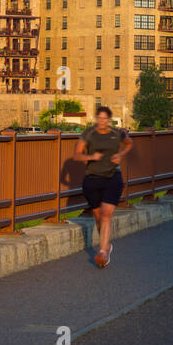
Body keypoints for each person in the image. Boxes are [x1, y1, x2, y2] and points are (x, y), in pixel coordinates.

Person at [73, 105, 133, 268]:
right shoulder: (88, 133)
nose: (101, 121)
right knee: (98, 216)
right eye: (99, 118)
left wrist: (120, 155)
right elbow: (76, 155)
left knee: (106, 214)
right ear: (96, 119)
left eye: (104, 118)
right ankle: (106, 245)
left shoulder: (117, 133)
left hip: (113, 178)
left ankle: (102, 252)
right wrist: (91, 156)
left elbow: (129, 143)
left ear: (109, 120)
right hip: (92, 178)